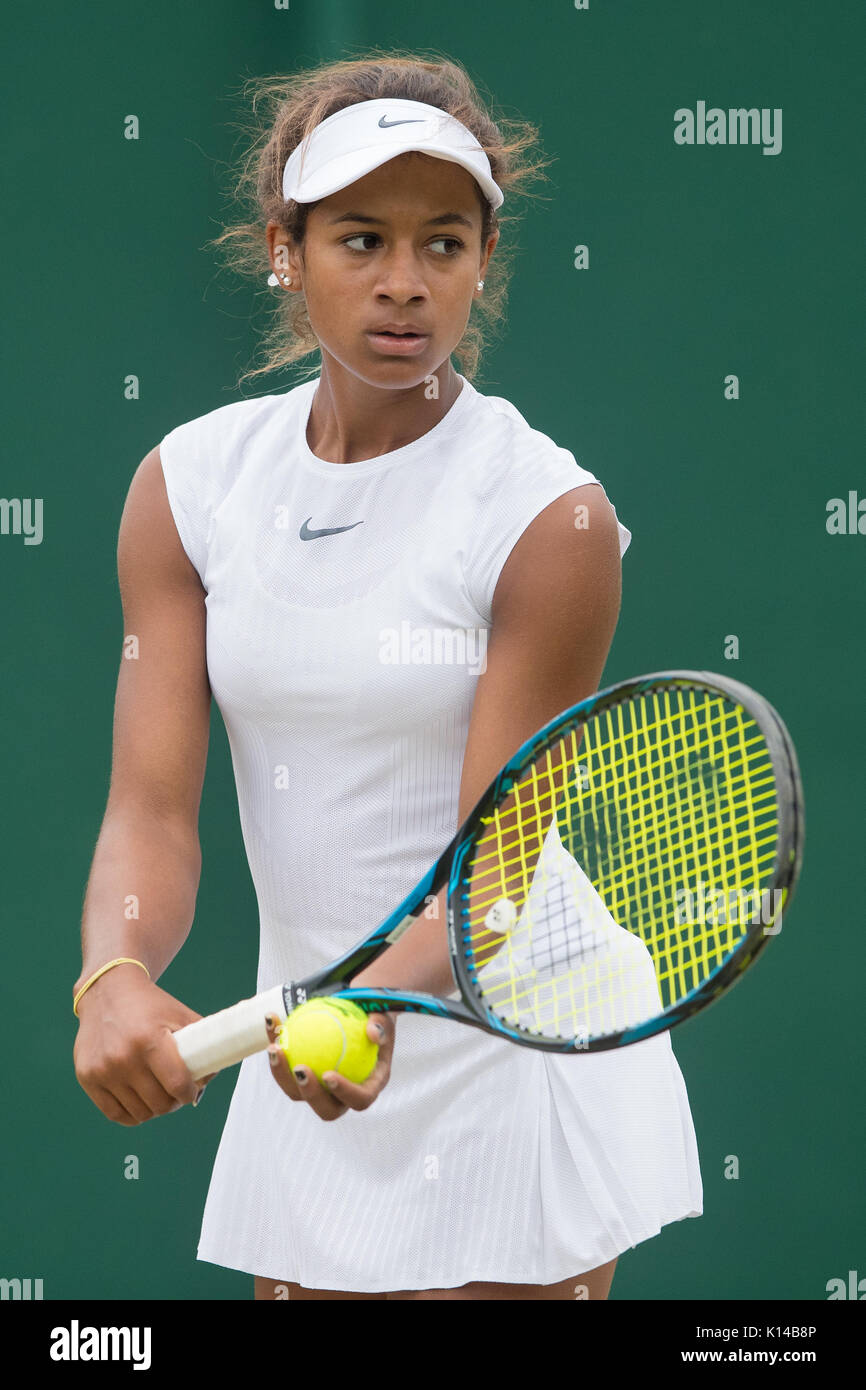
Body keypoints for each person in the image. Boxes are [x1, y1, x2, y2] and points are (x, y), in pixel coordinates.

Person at [73, 53, 702, 1302]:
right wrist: (115, 974)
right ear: (283, 249)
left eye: (445, 243)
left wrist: (366, 1005)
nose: (404, 283)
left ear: (484, 262)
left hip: (505, 1031)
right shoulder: (189, 490)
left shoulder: (544, 516)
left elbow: (493, 866)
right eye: (360, 239)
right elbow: (151, 810)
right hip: (313, 1031)